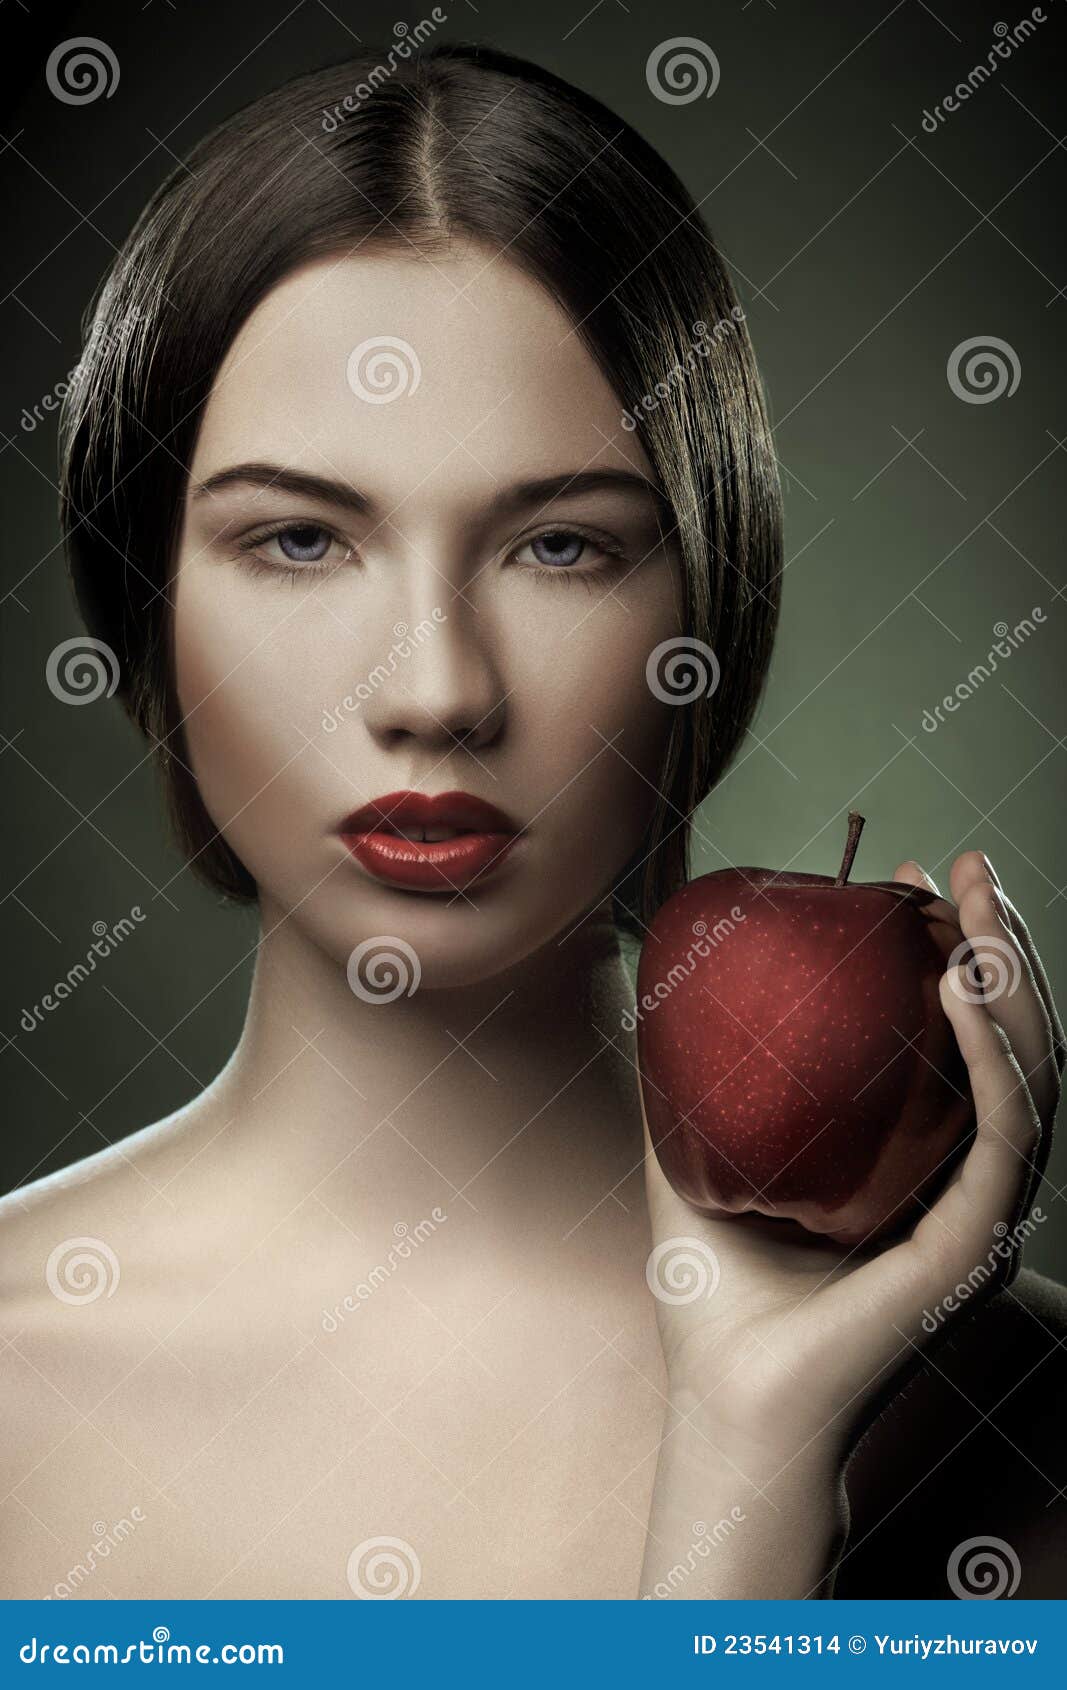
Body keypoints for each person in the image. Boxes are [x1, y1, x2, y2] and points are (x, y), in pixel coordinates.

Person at [2, 41, 1062, 1601]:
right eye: (300, 539)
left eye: (561, 547)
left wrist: (750, 1459)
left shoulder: (1027, 1431)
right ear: (146, 610)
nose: (435, 688)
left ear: (707, 611)